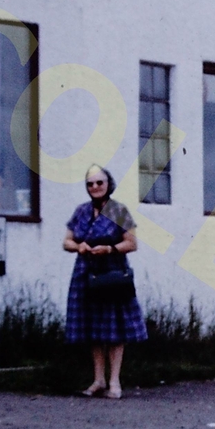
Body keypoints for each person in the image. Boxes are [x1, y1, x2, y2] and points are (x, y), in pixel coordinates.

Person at [63, 166, 147, 397]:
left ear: (108, 184)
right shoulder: (81, 211)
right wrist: (79, 246)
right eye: (90, 184)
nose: (95, 187)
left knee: (115, 328)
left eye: (99, 182)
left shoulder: (118, 210)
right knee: (92, 327)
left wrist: (110, 249)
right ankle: (98, 380)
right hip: (86, 273)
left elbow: (132, 243)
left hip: (112, 274)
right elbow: (67, 242)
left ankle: (114, 382)